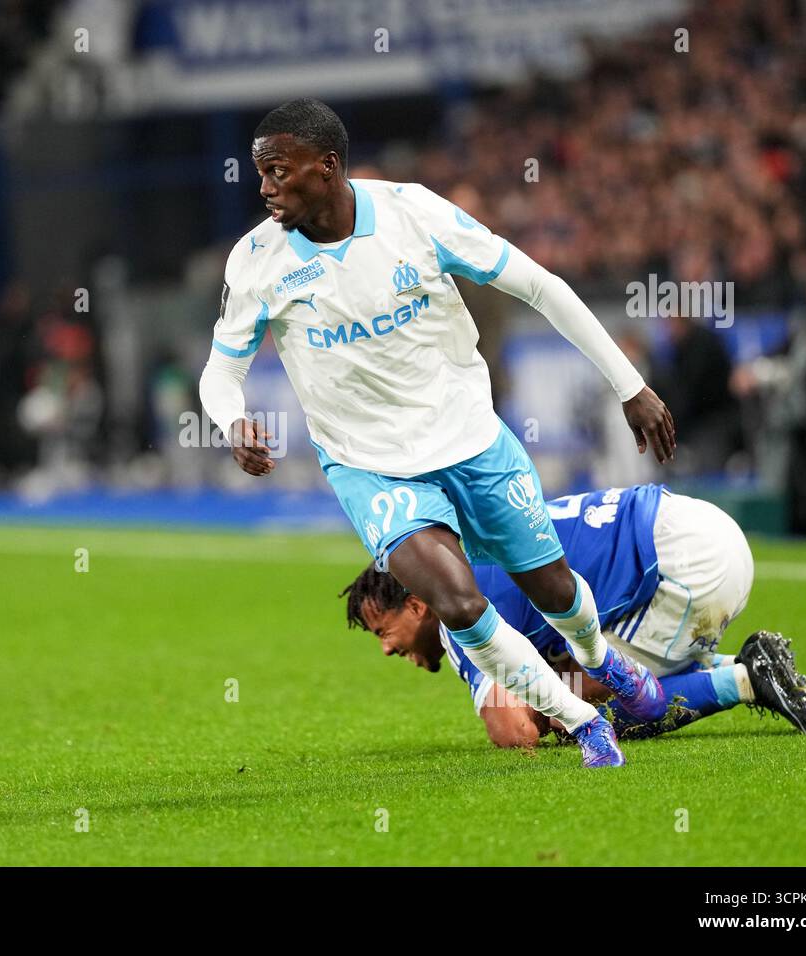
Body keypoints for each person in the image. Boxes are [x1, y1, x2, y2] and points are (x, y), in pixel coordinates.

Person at [199, 98, 677, 767]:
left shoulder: (414, 213)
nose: (265, 187)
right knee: (457, 603)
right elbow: (221, 371)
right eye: (261, 172)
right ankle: (584, 724)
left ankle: (602, 661)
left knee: (555, 591)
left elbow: (539, 286)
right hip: (369, 465)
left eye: (278, 170)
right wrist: (232, 420)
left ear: (327, 166)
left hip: (471, 439)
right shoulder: (256, 260)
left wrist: (630, 386)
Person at [341, 485, 806, 747]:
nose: (386, 648)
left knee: (577, 709)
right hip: (701, 526)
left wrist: (542, 707)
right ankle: (739, 664)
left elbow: (512, 732)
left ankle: (747, 679)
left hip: (676, 567)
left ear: (417, 604)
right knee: (570, 673)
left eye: (384, 631)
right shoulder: (472, 546)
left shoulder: (455, 607)